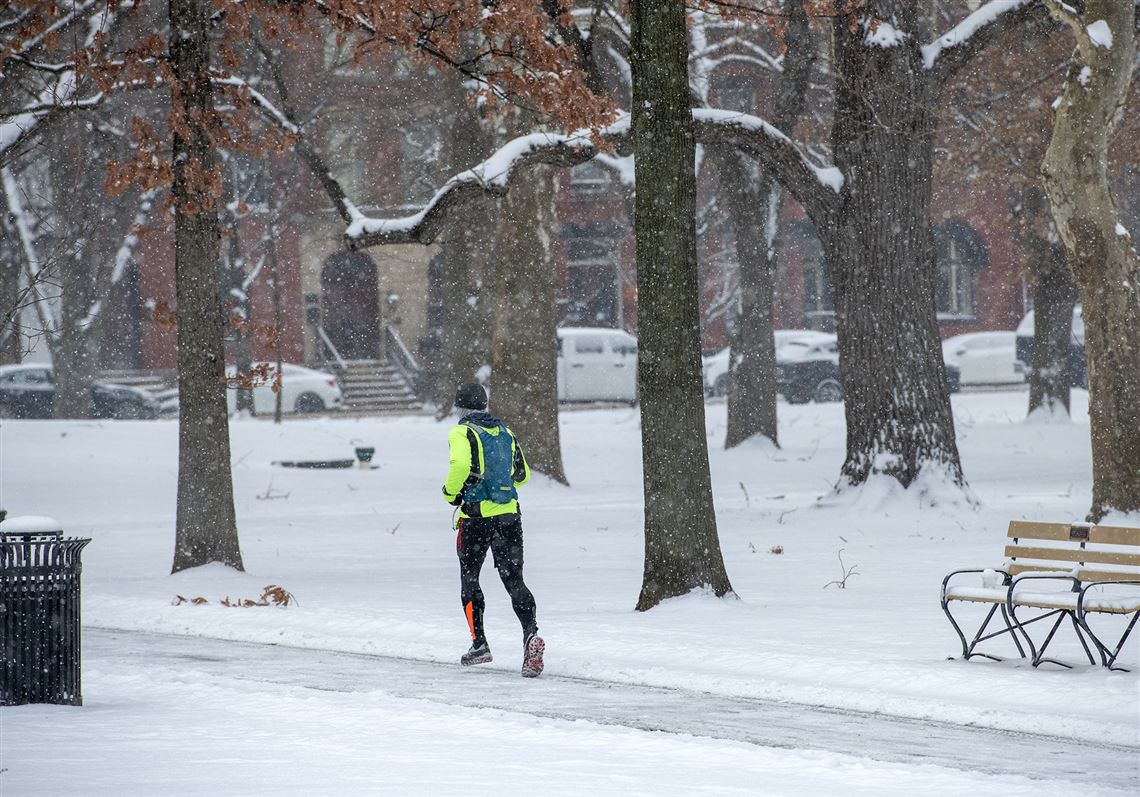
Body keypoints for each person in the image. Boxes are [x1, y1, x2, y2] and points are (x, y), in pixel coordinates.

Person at [442, 382, 544, 677]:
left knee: (470, 578)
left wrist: (451, 493)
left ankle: (479, 644)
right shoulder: (505, 432)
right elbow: (521, 475)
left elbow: (460, 465)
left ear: (459, 408)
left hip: (476, 518)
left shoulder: (461, 431)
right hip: (509, 515)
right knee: (514, 580)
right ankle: (530, 636)